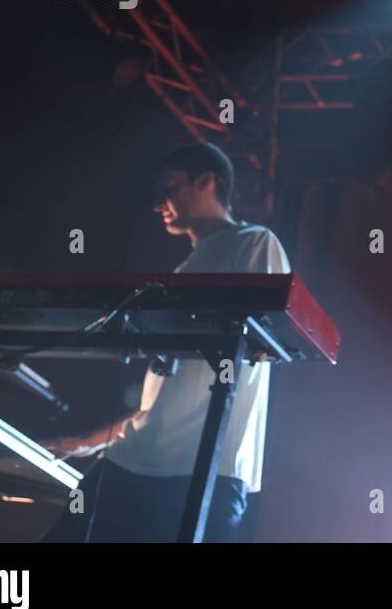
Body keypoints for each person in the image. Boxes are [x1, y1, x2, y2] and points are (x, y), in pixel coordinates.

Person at [43, 143, 289, 542]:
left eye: (169, 188)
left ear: (206, 182)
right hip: (133, 460)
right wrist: (86, 442)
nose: (160, 203)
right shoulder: (185, 268)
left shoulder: (253, 243)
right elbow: (160, 405)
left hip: (204, 469)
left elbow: (261, 337)